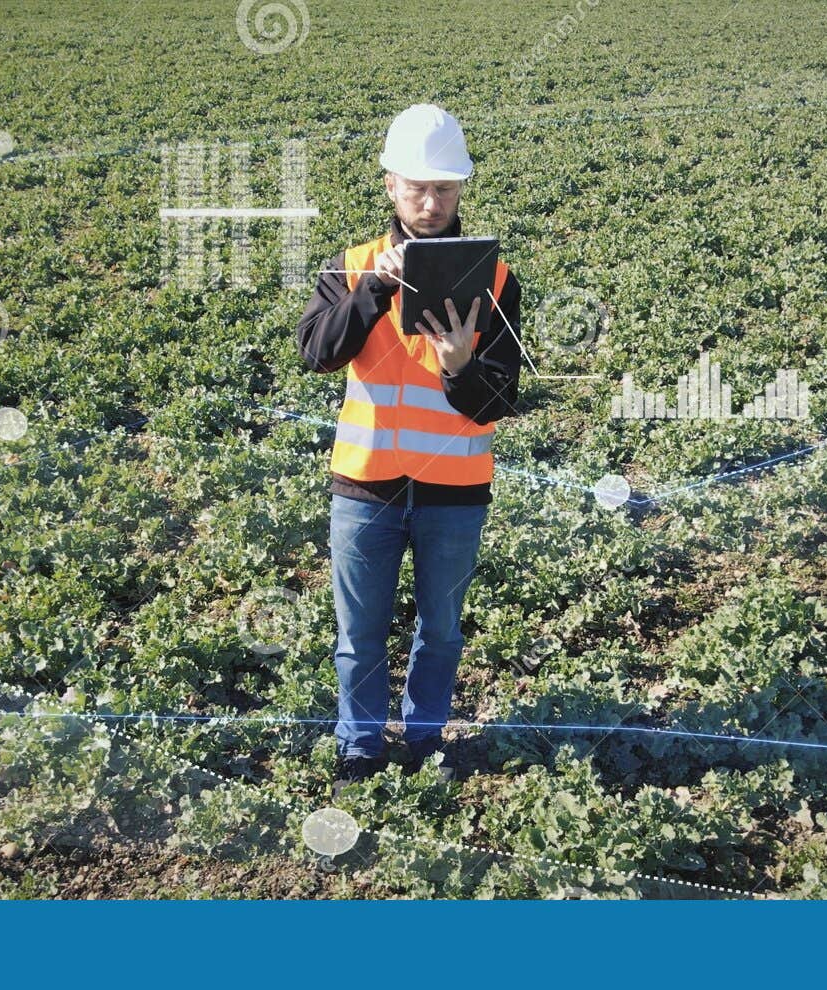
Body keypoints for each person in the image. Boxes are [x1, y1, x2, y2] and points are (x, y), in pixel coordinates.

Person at [295, 103, 523, 798]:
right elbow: (317, 352)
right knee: (358, 634)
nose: (431, 202)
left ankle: (425, 742)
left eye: (445, 189)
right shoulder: (353, 266)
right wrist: (375, 289)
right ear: (390, 185)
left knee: (442, 632)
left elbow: (501, 401)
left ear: (462, 191)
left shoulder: (498, 279)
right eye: (417, 187)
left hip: (454, 492)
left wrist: (459, 366)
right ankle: (359, 749)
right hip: (365, 487)